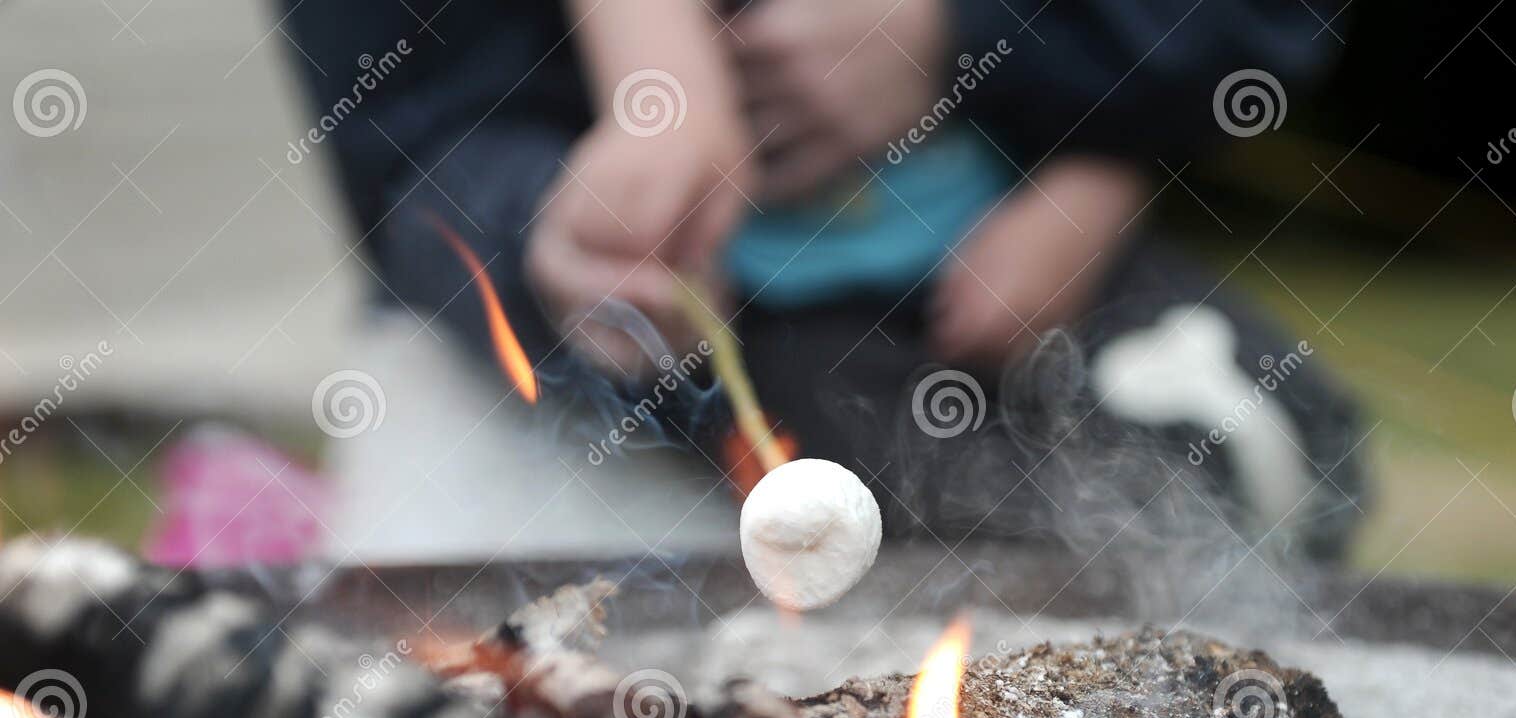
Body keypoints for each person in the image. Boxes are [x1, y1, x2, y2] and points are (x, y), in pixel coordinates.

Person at [282, 0, 1365, 559]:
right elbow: (410, 144)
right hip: (704, 348)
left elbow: (1231, 26)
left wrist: (1091, 162)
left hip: (1023, 271)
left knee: (1274, 453)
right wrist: (547, 226)